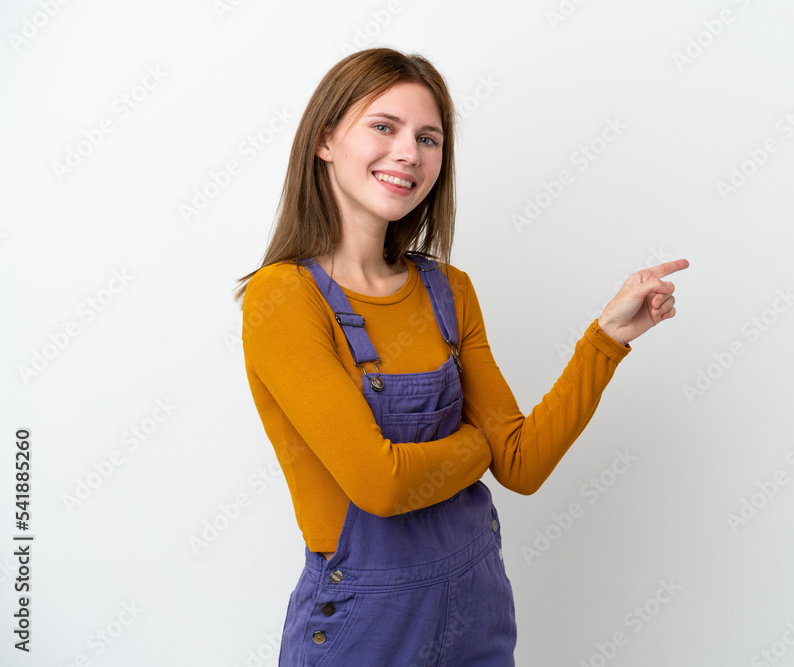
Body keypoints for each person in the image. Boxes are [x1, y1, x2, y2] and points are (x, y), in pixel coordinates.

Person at [233, 47, 688, 666]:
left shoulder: (449, 291)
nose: (408, 154)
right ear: (324, 140)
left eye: (428, 138)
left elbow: (522, 464)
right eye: (383, 127)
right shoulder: (283, 297)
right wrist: (481, 445)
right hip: (364, 631)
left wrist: (605, 340)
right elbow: (381, 484)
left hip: (476, 609)